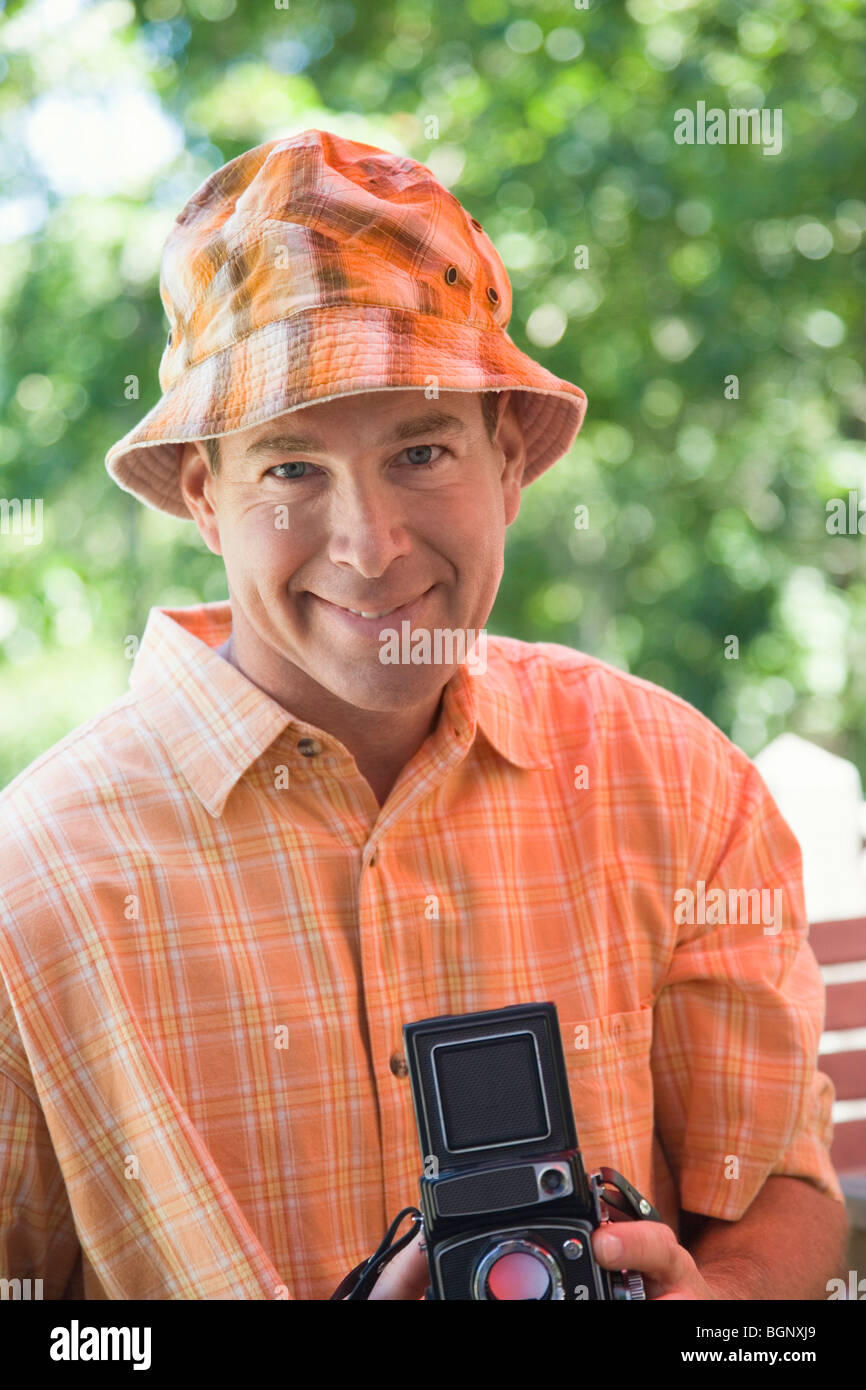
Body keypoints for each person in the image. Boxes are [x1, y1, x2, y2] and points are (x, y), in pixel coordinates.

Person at [0, 129, 848, 1301]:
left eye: (420, 449)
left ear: (507, 462)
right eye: (290, 470)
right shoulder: (30, 886)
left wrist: (713, 1309)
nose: (370, 544)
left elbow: (774, 1191)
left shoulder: (675, 778)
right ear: (206, 498)